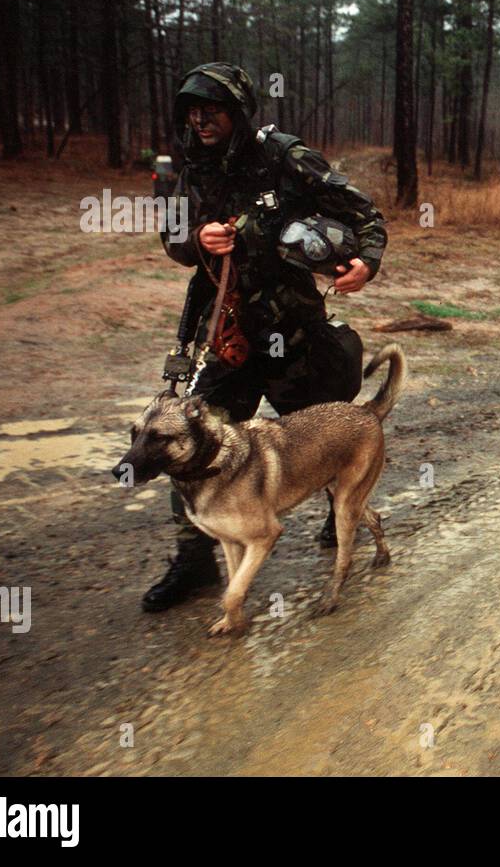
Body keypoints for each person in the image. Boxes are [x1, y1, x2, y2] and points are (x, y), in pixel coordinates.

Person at [142, 62, 387, 613]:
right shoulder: (193, 167)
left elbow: (365, 215)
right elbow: (174, 240)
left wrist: (366, 264)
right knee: (190, 437)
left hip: (292, 326)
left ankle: (339, 507)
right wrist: (198, 240)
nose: (201, 122)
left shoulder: (284, 157)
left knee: (321, 429)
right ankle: (193, 558)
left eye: (213, 111)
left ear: (238, 111)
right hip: (225, 329)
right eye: (193, 113)